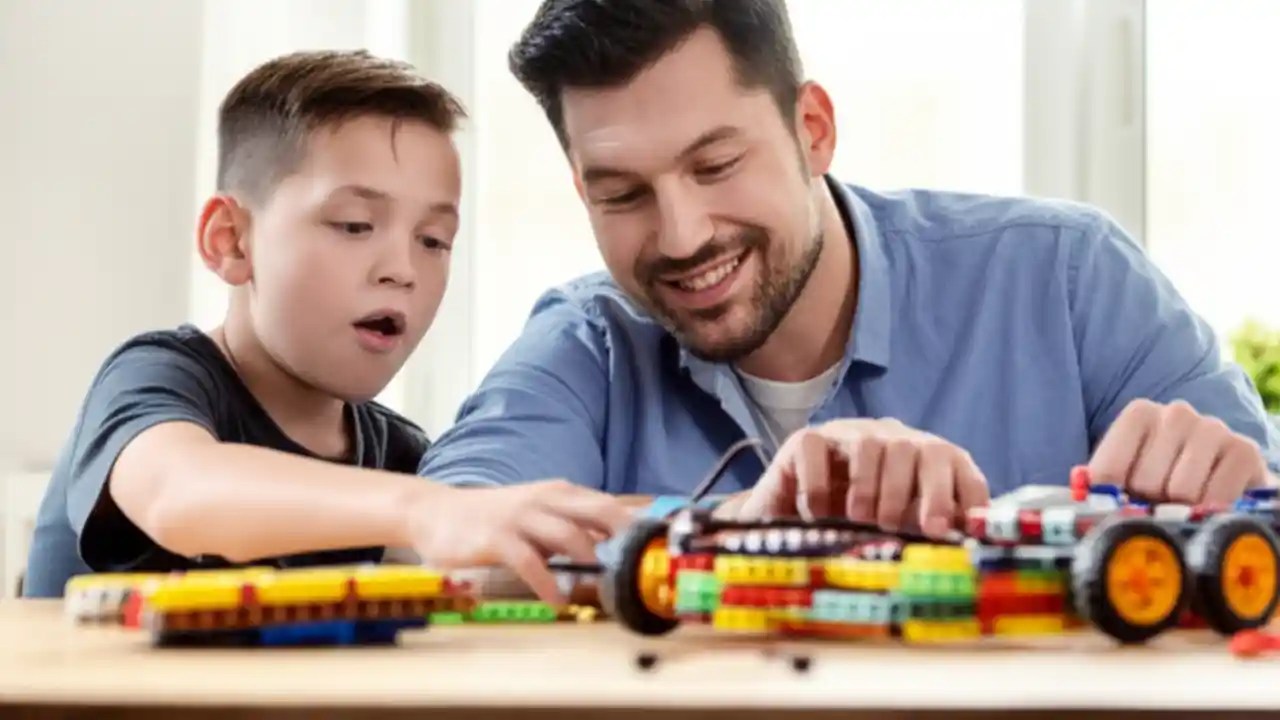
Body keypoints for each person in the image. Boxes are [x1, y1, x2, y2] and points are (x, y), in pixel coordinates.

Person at [418, 0, 1280, 537]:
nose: (680, 235)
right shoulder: (587, 345)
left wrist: (1239, 499)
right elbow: (431, 539)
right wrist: (746, 530)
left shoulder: (1065, 277)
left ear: (813, 129)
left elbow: (1265, 521)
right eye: (621, 193)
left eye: (716, 166)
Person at [23, 50, 631, 602]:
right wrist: (427, 510)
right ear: (231, 241)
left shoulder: (402, 458)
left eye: (434, 240)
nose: (403, 270)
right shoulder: (159, 380)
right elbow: (177, 492)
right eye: (354, 225)